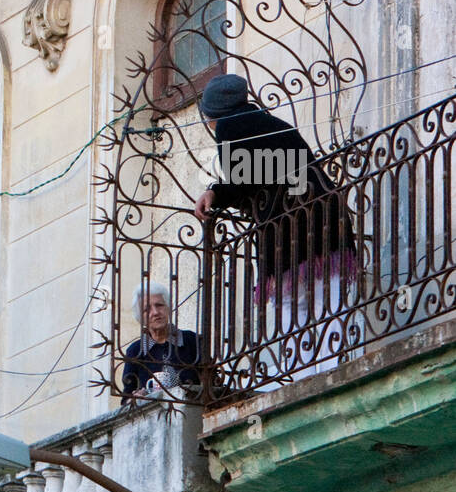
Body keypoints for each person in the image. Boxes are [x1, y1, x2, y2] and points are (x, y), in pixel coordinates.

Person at [192, 74, 357, 382]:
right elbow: (260, 173)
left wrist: (215, 191)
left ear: (210, 117)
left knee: (293, 306)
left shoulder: (229, 127)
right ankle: (330, 369)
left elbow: (243, 178)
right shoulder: (271, 123)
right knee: (328, 298)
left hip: (288, 228)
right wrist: (220, 190)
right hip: (325, 215)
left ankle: (303, 375)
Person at [121, 282, 202, 404]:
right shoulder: (135, 351)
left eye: (159, 305)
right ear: (141, 318)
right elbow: (126, 400)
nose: (155, 312)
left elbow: (211, 381)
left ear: (168, 308)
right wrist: (136, 398)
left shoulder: (191, 340)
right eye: (146, 309)